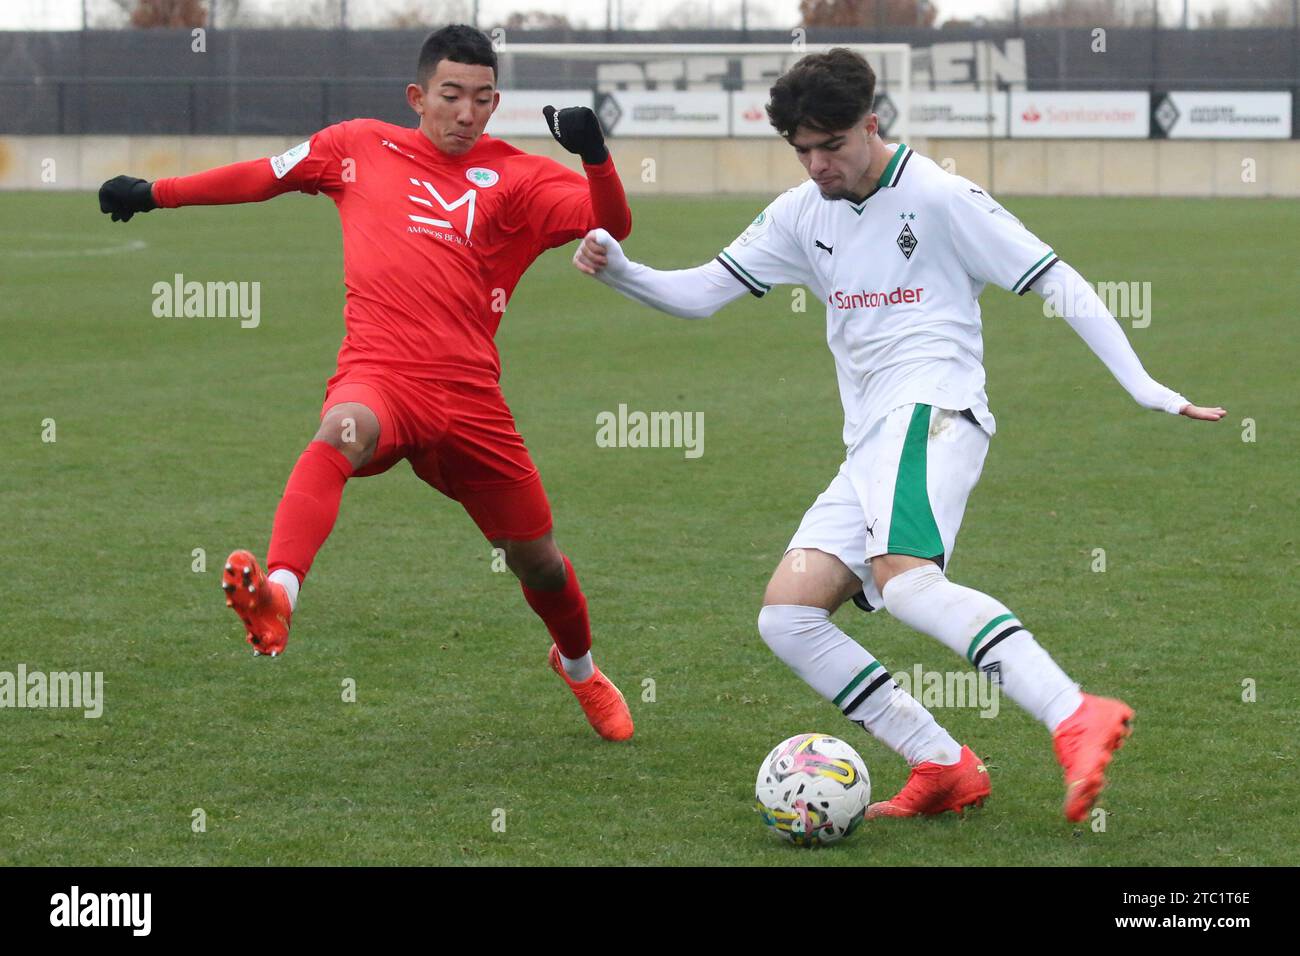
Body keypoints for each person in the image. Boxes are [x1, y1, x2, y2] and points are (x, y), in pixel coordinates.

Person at [571, 48, 1226, 817]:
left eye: (832, 145)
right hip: (872, 440)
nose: (817, 164)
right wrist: (624, 270)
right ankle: (942, 762)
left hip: (935, 411)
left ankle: (1072, 712)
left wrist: (1143, 384)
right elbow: (702, 293)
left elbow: (1055, 276)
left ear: (870, 125)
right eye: (802, 150)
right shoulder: (798, 213)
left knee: (906, 581)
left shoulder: (942, 196)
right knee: (787, 617)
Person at [98, 24, 635, 742]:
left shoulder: (520, 176)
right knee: (337, 434)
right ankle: (278, 597)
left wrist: (595, 155)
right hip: (381, 375)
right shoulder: (358, 146)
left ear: (495, 101)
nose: (466, 112)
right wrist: (155, 192)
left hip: (472, 398)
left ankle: (581, 671)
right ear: (418, 96)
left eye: (481, 99)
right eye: (451, 95)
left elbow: (613, 223)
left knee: (536, 560)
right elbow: (265, 175)